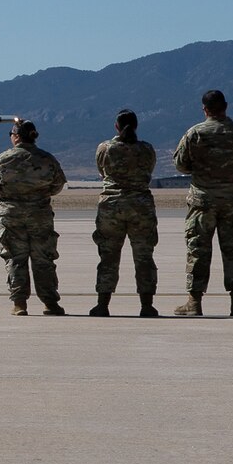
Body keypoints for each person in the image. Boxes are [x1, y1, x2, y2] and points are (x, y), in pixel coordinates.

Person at [172, 89, 233, 317]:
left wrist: (203, 171)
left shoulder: (195, 133)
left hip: (202, 201)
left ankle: (194, 302)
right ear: (226, 106)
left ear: (205, 109)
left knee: (198, 250)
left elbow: (181, 164)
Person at [0, 119, 68, 316]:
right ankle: (50, 303)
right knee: (43, 259)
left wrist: (12, 194)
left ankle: (19, 303)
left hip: (11, 215)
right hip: (40, 215)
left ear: (16, 137)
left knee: (15, 258)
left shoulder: (3, 159)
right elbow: (57, 185)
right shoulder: (47, 159)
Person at [91, 109, 159, 317]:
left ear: (116, 126)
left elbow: (102, 171)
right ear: (136, 126)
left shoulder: (105, 148)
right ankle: (147, 305)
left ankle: (103, 304)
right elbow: (149, 170)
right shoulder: (146, 149)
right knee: (144, 257)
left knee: (108, 256)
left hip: (112, 206)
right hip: (141, 206)